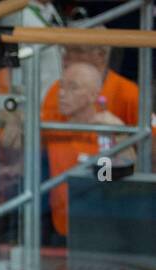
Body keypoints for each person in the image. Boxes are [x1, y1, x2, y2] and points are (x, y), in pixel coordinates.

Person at [42, 59, 138, 239]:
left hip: (102, 232)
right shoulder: (51, 128)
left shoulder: (107, 133)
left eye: (73, 87)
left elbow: (126, 180)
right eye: (61, 86)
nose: (62, 93)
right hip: (57, 231)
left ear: (94, 95)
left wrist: (121, 135)